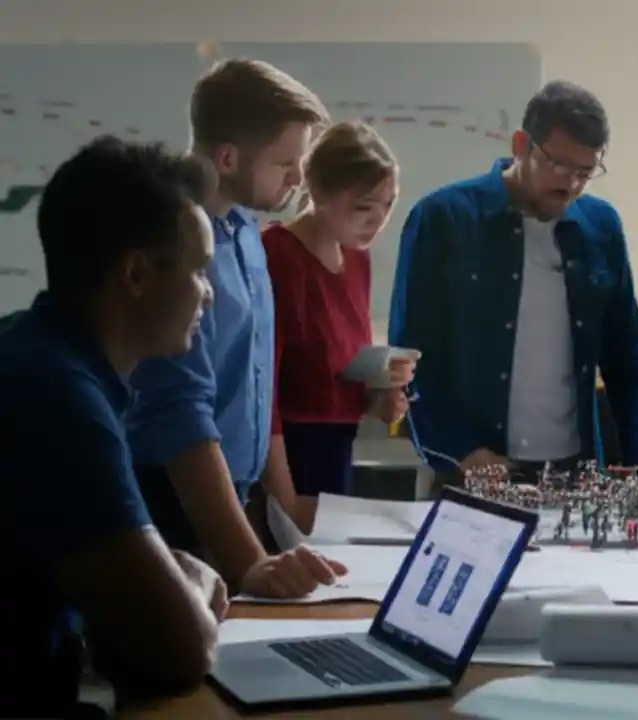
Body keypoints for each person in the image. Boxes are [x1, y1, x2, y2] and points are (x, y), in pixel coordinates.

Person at [0, 137, 224, 715]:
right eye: (199, 270)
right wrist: (194, 575)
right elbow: (182, 645)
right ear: (137, 273)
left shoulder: (32, 350)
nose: (209, 293)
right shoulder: (55, 398)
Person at [126, 58, 347, 599]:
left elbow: (255, 385)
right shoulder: (177, 246)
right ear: (226, 158)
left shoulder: (248, 232)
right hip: (176, 504)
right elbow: (180, 414)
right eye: (285, 163)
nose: (299, 179)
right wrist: (249, 561)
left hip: (238, 499)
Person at [389, 79, 638, 487]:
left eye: (585, 172)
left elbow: (628, 359)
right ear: (521, 144)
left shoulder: (601, 227)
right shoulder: (444, 218)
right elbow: (411, 362)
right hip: (467, 469)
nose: (570, 184)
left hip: (574, 475)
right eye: (558, 165)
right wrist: (462, 449)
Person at [261, 120, 418, 533]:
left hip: (337, 452)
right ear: (318, 193)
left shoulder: (357, 259)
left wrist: (378, 395)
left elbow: (335, 379)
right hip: (286, 459)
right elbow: (263, 399)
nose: (378, 221)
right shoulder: (278, 256)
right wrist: (287, 501)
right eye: (364, 207)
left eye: (389, 204)